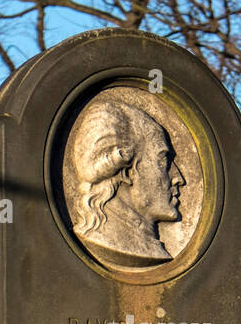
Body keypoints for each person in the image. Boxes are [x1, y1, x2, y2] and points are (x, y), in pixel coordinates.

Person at [69, 98, 185, 268]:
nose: (179, 178)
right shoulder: (105, 240)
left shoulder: (148, 244)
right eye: (163, 160)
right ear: (126, 172)